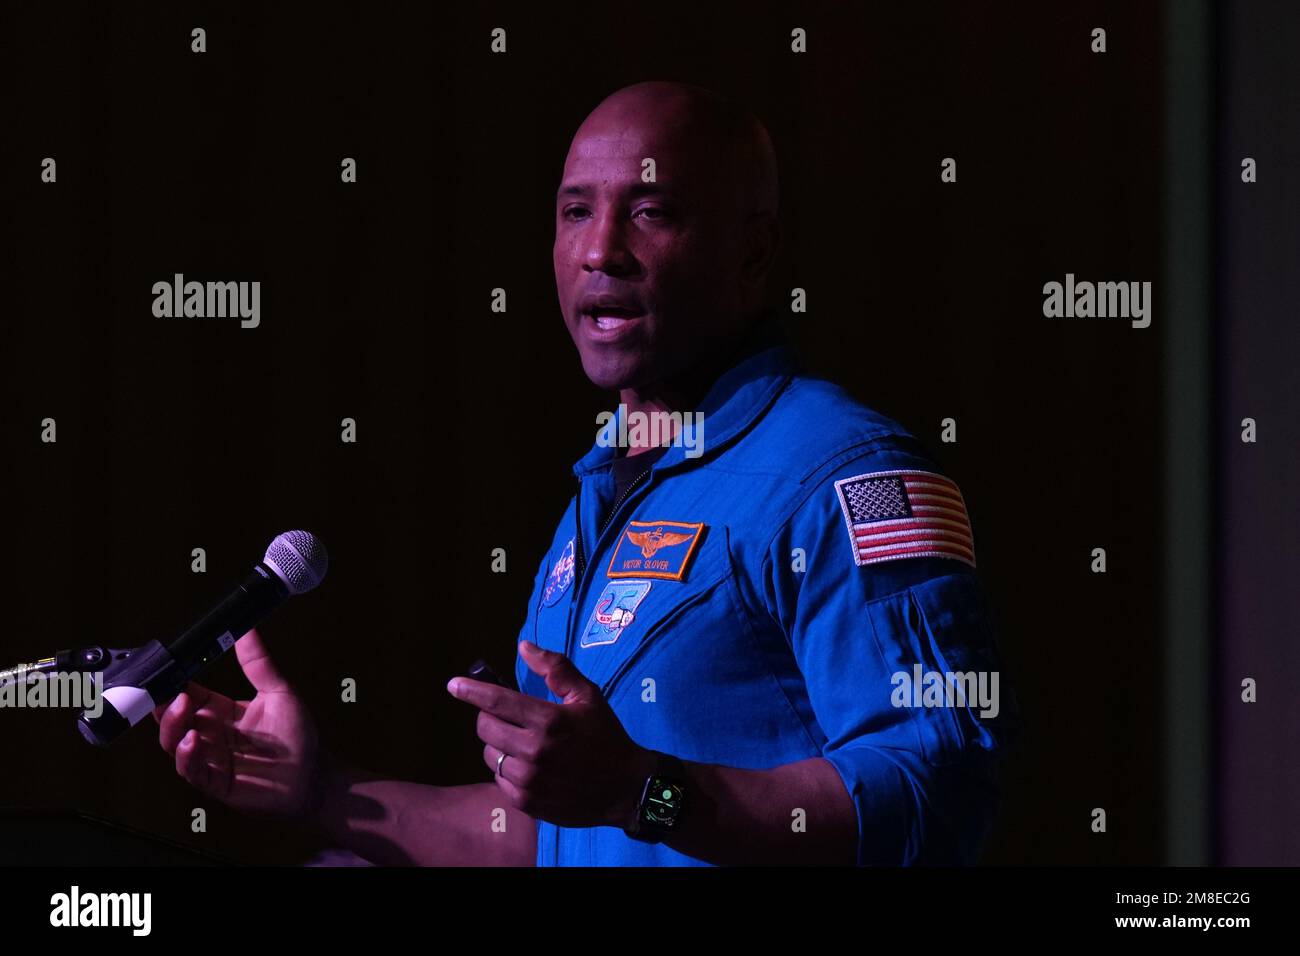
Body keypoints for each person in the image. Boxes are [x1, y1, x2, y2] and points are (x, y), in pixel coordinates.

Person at [154, 80, 1018, 866]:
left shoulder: (846, 475)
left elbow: (936, 797)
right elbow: (550, 840)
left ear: (754, 251)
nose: (601, 250)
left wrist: (644, 792)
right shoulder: (600, 493)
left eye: (651, 211)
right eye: (575, 212)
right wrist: (322, 792)